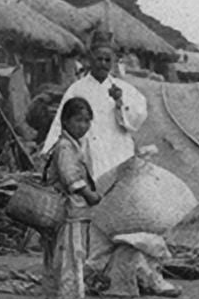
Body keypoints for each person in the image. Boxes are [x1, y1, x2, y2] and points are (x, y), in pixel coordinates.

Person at [42, 31, 148, 184]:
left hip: (116, 151)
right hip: (87, 152)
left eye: (107, 60)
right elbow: (61, 121)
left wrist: (120, 102)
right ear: (90, 60)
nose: (103, 64)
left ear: (113, 62)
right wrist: (50, 150)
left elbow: (136, 121)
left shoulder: (125, 89)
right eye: (99, 59)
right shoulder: (76, 89)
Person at [41, 97, 102, 299]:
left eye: (87, 121)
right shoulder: (66, 147)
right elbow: (70, 178)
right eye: (78, 120)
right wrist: (90, 194)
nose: (83, 126)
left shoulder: (72, 144)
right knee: (72, 255)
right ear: (65, 122)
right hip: (71, 209)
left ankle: (52, 295)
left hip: (66, 210)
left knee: (57, 254)